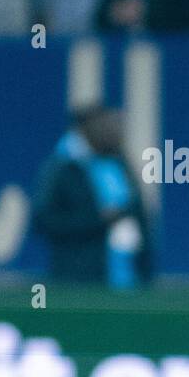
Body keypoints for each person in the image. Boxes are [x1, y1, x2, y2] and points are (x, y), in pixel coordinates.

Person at [32, 105, 151, 286]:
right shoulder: (62, 168)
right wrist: (98, 220)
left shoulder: (119, 162)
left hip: (128, 277)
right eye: (105, 125)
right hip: (80, 280)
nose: (114, 130)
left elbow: (137, 211)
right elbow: (44, 221)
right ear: (86, 129)